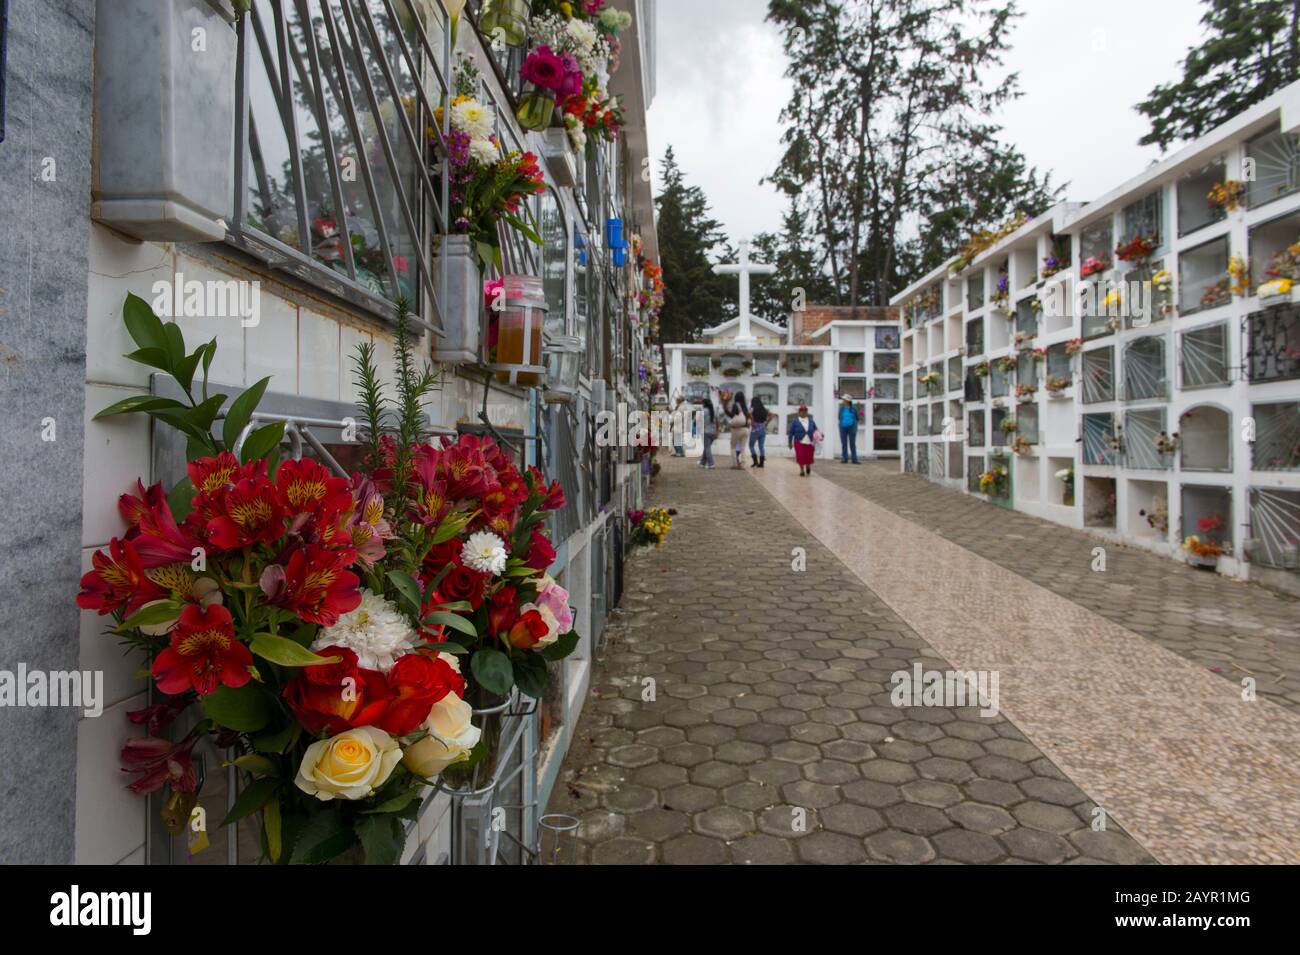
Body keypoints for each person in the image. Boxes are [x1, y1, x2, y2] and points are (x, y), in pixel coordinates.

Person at [788, 403, 820, 477]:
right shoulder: (795, 421)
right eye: (802, 410)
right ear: (799, 412)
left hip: (810, 441)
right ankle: (802, 470)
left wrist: (819, 435)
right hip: (799, 441)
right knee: (800, 456)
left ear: (807, 412)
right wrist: (790, 442)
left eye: (805, 410)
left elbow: (816, 429)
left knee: (808, 456)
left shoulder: (811, 420)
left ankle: (808, 466)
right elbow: (791, 433)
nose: (803, 412)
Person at [724, 388, 750, 469]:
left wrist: (726, 410)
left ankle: (735, 464)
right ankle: (743, 465)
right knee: (743, 448)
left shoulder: (736, 405)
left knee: (733, 447)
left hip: (737, 429)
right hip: (745, 430)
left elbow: (732, 416)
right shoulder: (745, 407)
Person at [748, 395, 770, 467]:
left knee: (751, 445)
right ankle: (761, 463)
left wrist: (753, 420)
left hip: (755, 430)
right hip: (762, 429)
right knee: (761, 446)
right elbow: (772, 415)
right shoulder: (764, 409)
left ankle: (755, 462)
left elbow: (749, 414)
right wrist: (766, 422)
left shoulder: (752, 408)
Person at [838, 396, 860, 464]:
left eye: (844, 400)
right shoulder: (841, 408)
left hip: (852, 428)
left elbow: (857, 417)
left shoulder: (854, 408)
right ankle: (845, 459)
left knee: (852, 443)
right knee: (844, 443)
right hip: (843, 428)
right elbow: (839, 417)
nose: (843, 401)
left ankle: (854, 459)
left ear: (847, 401)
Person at [697, 397, 717, 469]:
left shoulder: (703, 411)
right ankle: (702, 462)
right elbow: (717, 422)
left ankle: (711, 464)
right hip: (713, 432)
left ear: (704, 404)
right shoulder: (713, 411)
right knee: (707, 448)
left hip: (706, 432)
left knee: (707, 448)